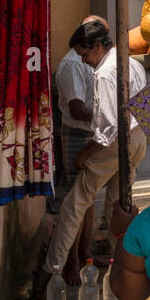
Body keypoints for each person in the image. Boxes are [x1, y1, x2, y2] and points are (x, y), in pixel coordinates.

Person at [42, 23, 146, 281]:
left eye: (85, 55)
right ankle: (122, 267)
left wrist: (85, 152)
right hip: (138, 138)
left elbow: (108, 128)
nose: (85, 61)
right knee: (119, 206)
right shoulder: (132, 64)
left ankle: (51, 272)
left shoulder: (106, 72)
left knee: (73, 206)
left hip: (117, 142)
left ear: (98, 47)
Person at [50, 15, 108, 281]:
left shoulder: (89, 62)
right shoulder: (72, 65)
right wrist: (105, 116)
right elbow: (76, 107)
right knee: (75, 203)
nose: (86, 57)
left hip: (88, 132)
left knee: (87, 200)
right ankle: (70, 262)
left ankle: (84, 254)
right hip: (76, 133)